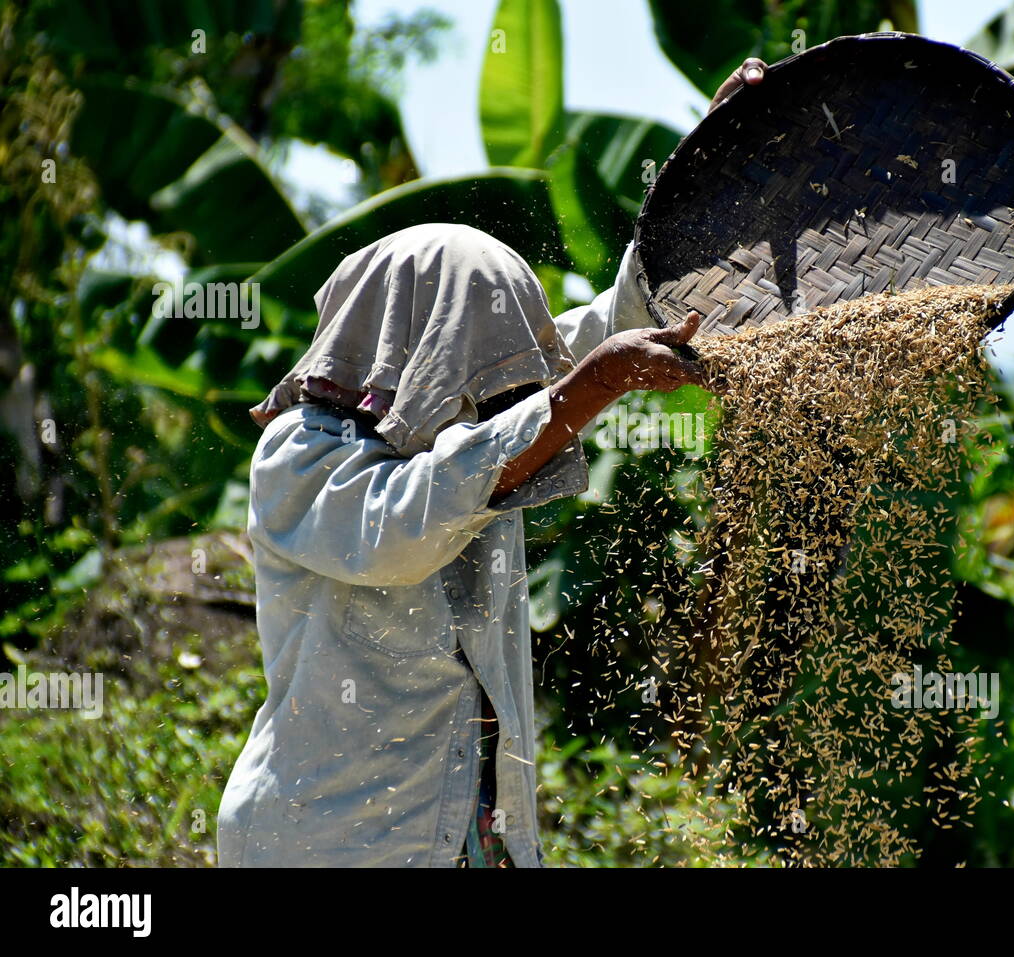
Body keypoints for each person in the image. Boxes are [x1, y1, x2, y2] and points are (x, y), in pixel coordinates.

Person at [216, 59, 767, 867]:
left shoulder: (472, 433)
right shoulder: (301, 454)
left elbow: (614, 324)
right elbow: (406, 527)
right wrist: (592, 384)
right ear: (429, 355)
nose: (504, 394)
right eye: (483, 368)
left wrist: (708, 172)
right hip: (322, 842)